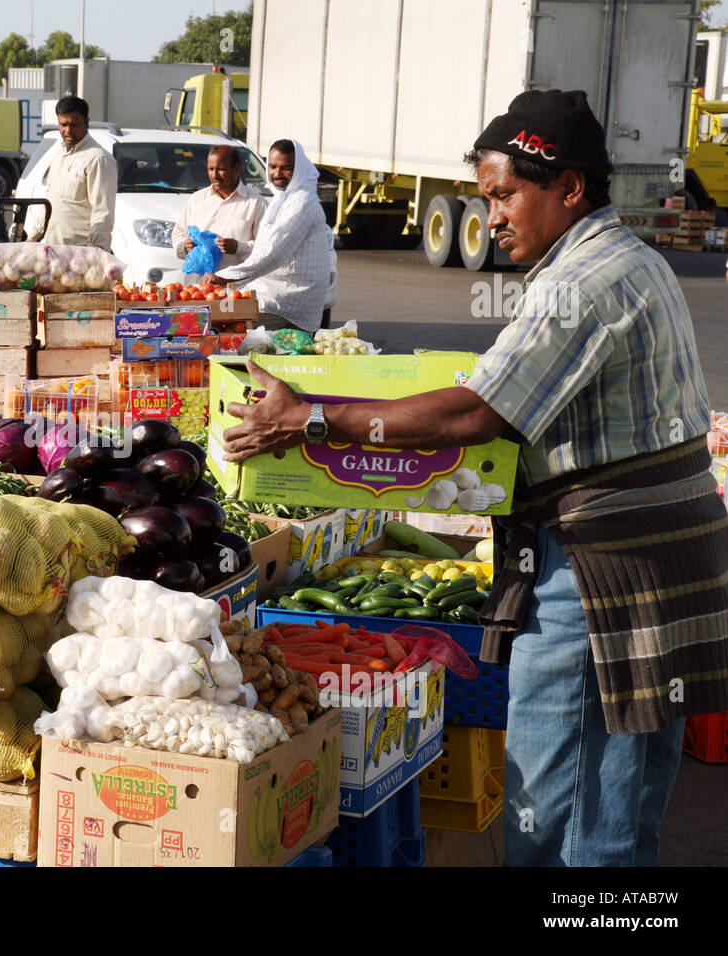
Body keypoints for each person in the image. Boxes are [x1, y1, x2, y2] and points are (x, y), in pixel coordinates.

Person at [221, 90, 728, 867]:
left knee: (566, 810)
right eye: (484, 197)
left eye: (503, 195)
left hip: (605, 570)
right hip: (642, 556)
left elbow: (473, 417)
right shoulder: (625, 258)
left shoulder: (579, 284)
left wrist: (312, 418)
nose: (491, 216)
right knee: (615, 797)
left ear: (568, 188)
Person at [202, 139, 335, 331]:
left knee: (227, 326)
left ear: (298, 170)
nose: (277, 174)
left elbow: (273, 253)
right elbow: (263, 248)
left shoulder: (302, 202)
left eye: (286, 168)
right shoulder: (283, 198)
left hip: (289, 301)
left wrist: (225, 277)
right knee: (217, 315)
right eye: (272, 167)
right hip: (270, 290)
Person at [32, 96, 116, 250]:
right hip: (53, 251)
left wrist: (96, 255)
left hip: (81, 254)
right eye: (63, 124)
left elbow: (102, 214)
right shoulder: (59, 156)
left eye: (74, 124)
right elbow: (49, 203)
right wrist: (31, 238)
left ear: (87, 123)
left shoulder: (98, 159)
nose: (68, 130)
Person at [171, 145, 267, 274]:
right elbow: (178, 234)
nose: (214, 175)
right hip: (196, 288)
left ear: (236, 168)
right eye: (211, 169)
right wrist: (184, 246)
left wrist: (238, 247)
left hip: (235, 287)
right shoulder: (196, 200)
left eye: (221, 169)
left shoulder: (257, 203)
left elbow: (266, 249)